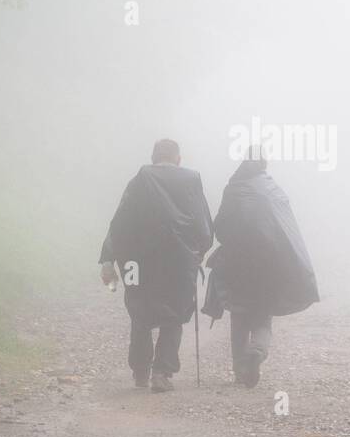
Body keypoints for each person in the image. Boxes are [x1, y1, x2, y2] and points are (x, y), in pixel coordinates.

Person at [99, 139, 213, 392]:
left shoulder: (139, 180)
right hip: (179, 260)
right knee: (173, 316)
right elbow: (203, 223)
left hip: (138, 262)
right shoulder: (192, 180)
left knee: (140, 313)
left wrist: (107, 259)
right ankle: (162, 372)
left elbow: (119, 223)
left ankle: (140, 371)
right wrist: (200, 252)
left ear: (153, 158)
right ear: (178, 159)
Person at [203, 156, 318, 387]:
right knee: (263, 315)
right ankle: (256, 351)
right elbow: (288, 229)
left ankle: (239, 370)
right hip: (271, 264)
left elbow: (220, 227)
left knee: (239, 313)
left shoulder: (234, 189)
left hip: (238, 262)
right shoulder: (275, 192)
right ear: (264, 167)